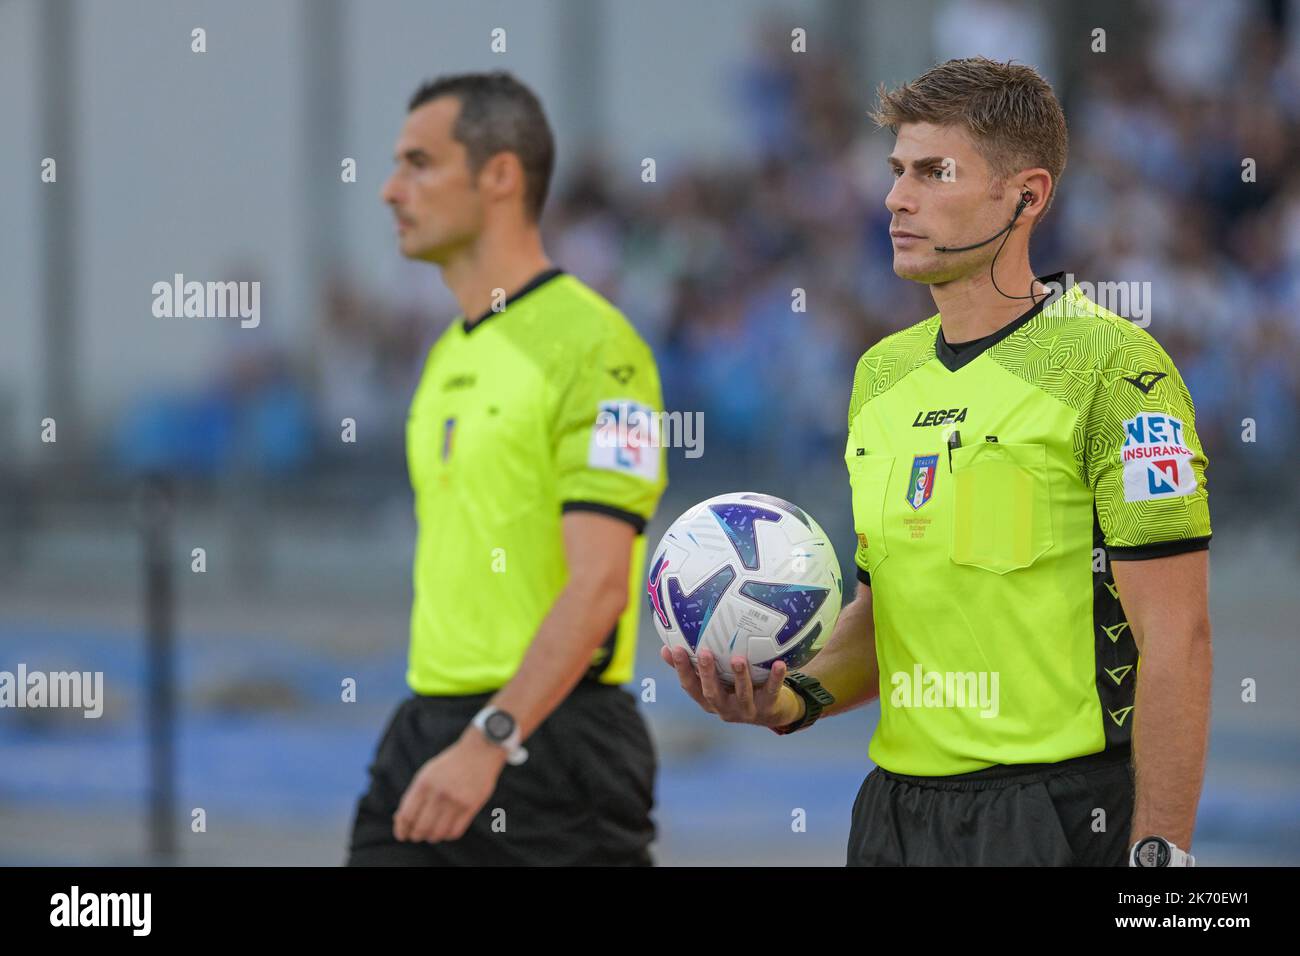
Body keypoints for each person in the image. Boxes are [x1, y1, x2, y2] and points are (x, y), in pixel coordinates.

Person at [663, 57, 1211, 867]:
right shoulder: (881, 375)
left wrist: (1163, 861)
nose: (895, 198)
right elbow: (889, 615)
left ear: (1025, 195)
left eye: (933, 172)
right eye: (895, 172)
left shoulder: (1117, 369)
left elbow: (1179, 640)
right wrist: (789, 697)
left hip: (1056, 816)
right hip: (894, 815)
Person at [348, 71, 667, 865]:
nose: (390, 190)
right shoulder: (450, 351)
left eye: (418, 163)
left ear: (499, 176)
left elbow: (598, 588)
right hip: (429, 726)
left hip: (545, 746)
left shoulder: (597, 349)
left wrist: (492, 738)